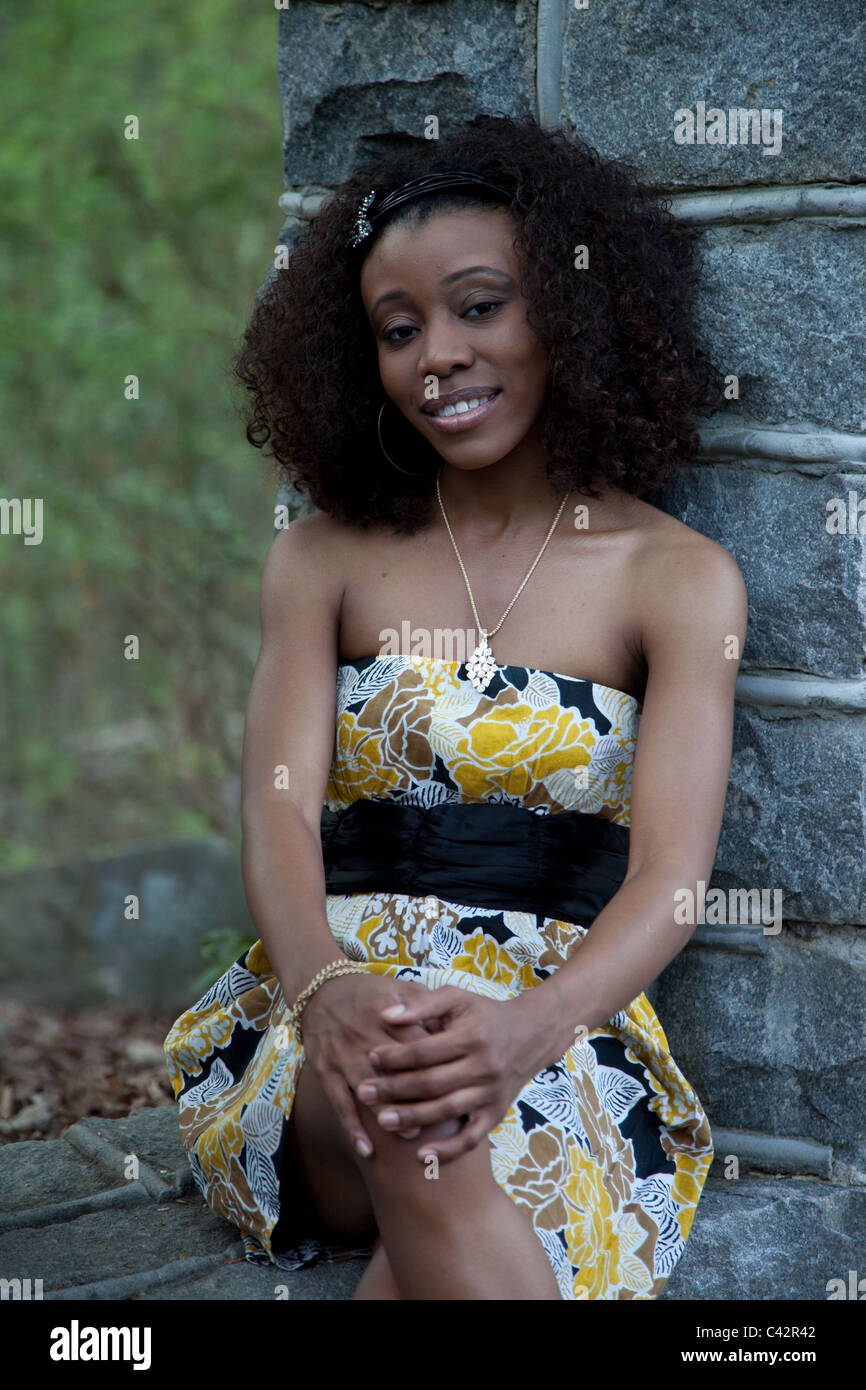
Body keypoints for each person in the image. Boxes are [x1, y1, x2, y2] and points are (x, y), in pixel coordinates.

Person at [163, 114, 747, 1300]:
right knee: (405, 1093)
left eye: (479, 307)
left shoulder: (673, 576)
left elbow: (672, 877)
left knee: (436, 1200)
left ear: (570, 318)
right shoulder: (320, 558)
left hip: (560, 1028)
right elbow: (277, 816)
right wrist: (326, 988)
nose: (436, 354)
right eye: (397, 329)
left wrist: (525, 1027)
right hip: (335, 1019)